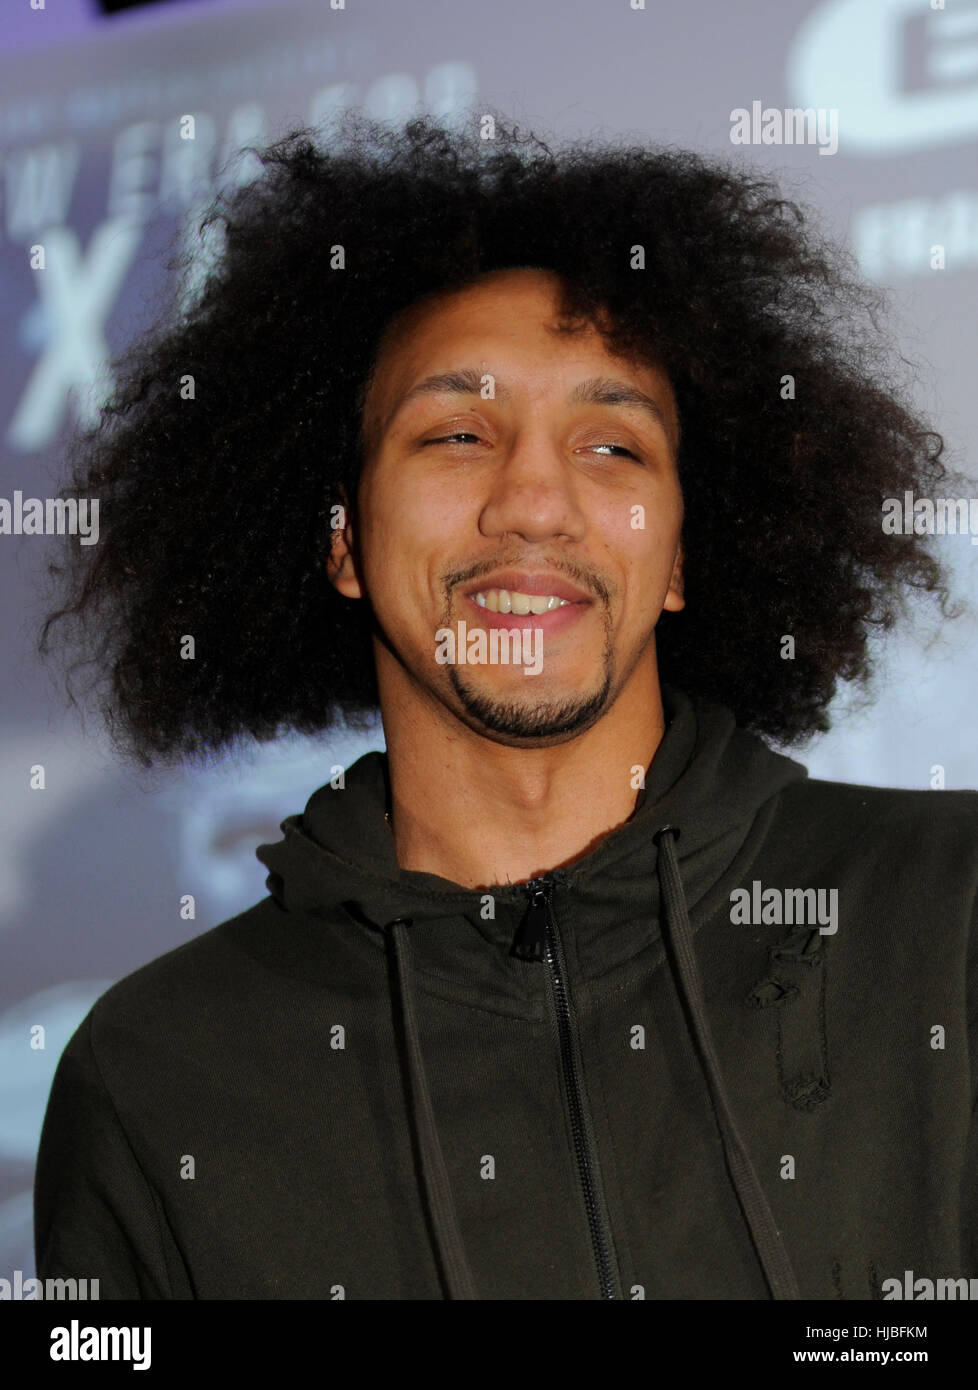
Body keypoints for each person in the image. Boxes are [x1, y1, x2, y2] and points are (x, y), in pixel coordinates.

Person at [34, 110, 978, 1301]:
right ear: (342, 542)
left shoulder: (950, 913)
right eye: (458, 432)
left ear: (683, 555)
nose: (534, 501)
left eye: (613, 447)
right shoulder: (158, 1074)